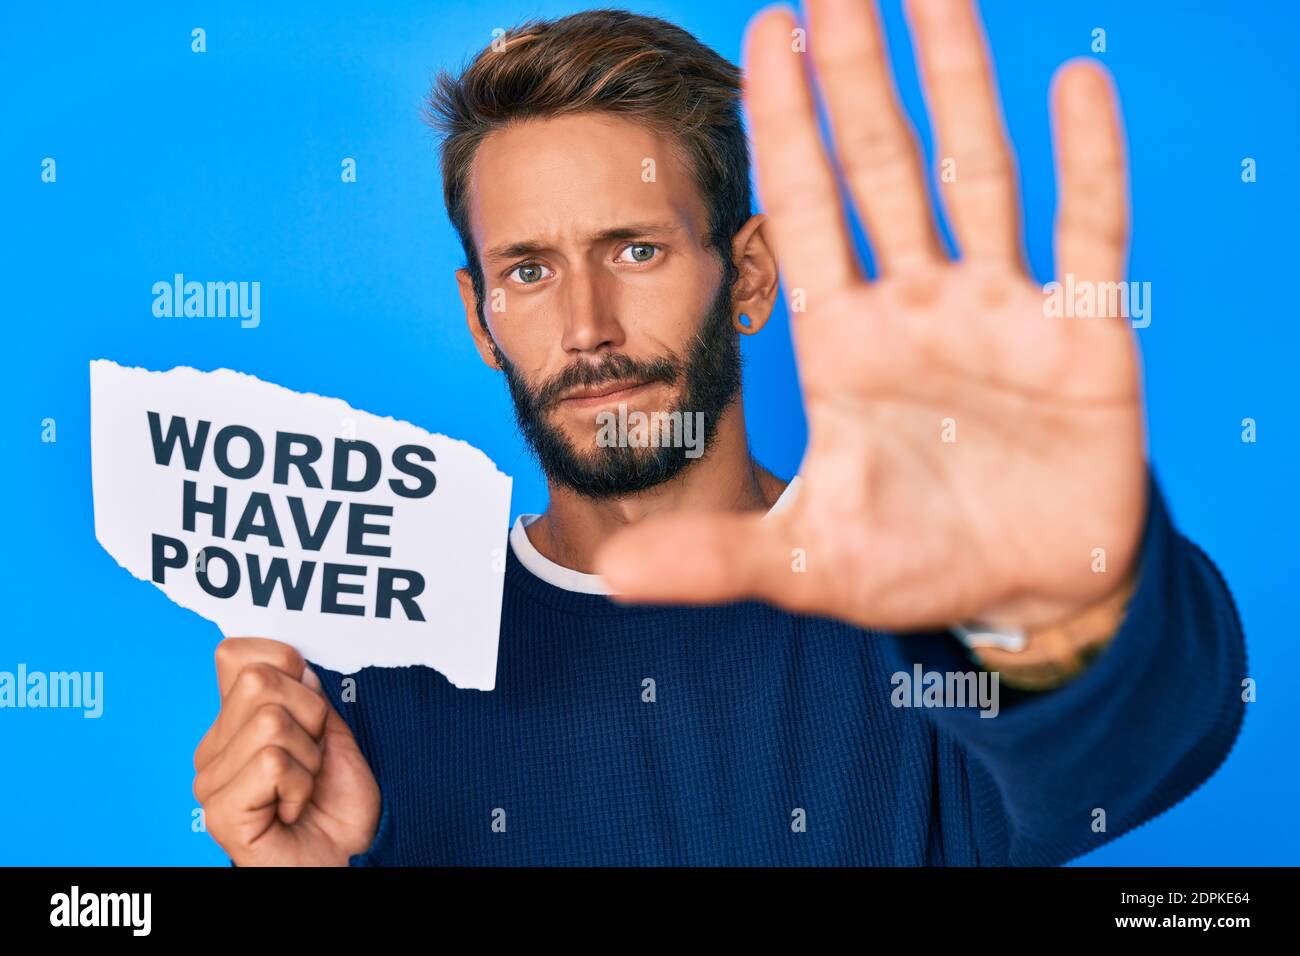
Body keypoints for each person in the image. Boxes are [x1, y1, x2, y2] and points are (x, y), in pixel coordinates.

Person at [193, 2, 1246, 866]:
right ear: (480, 317)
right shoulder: (375, 672)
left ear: (745, 275)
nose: (587, 327)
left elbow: (1151, 743)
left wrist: (1056, 605)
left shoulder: (920, 595)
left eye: (636, 250)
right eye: (529, 270)